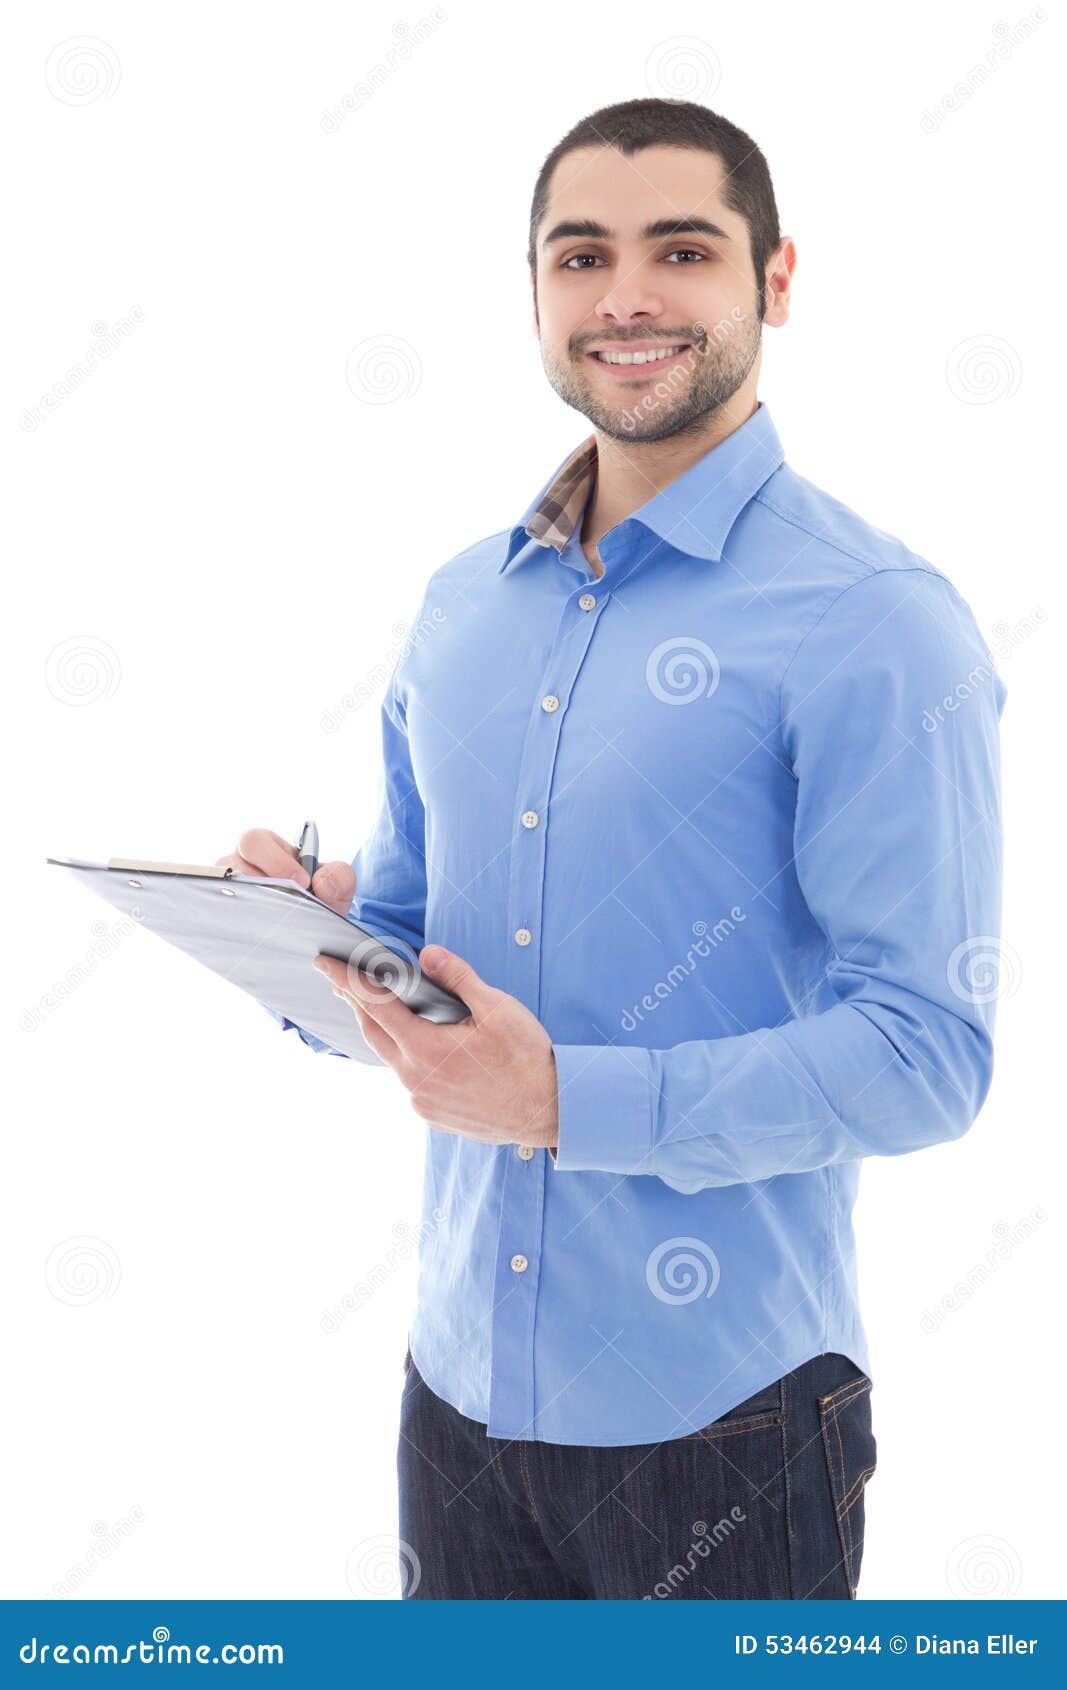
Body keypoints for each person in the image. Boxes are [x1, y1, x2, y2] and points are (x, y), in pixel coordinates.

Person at [218, 98, 1005, 1600]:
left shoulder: (875, 620)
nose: (626, 297)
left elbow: (928, 1051)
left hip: (723, 1425)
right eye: (581, 255)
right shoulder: (464, 605)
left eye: (682, 250)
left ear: (774, 282)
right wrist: (301, 941)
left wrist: (565, 1096)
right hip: (454, 1396)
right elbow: (415, 960)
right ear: (534, 292)